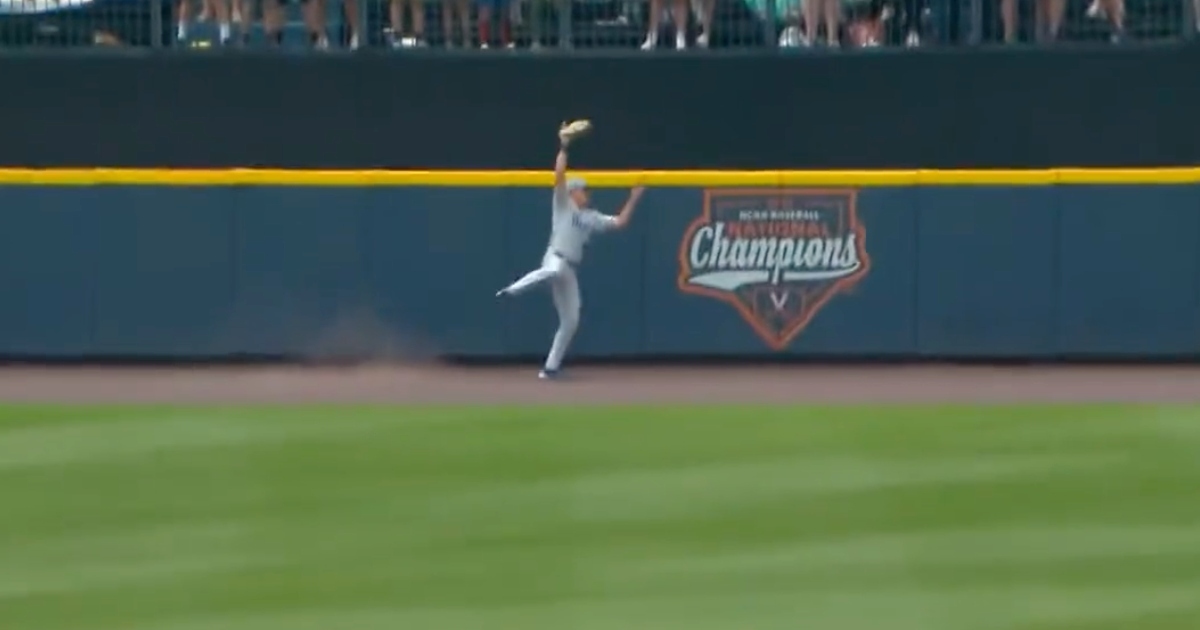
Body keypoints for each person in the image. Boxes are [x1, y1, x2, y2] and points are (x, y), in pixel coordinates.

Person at [495, 122, 646, 379]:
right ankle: (512, 290)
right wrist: (564, 145)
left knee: (571, 320)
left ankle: (550, 369)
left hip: (569, 268)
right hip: (555, 257)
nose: (586, 193)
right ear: (573, 192)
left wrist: (634, 198)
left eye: (585, 190)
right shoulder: (564, 204)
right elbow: (559, 173)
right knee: (553, 269)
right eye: (582, 189)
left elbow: (620, 222)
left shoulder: (591, 217)